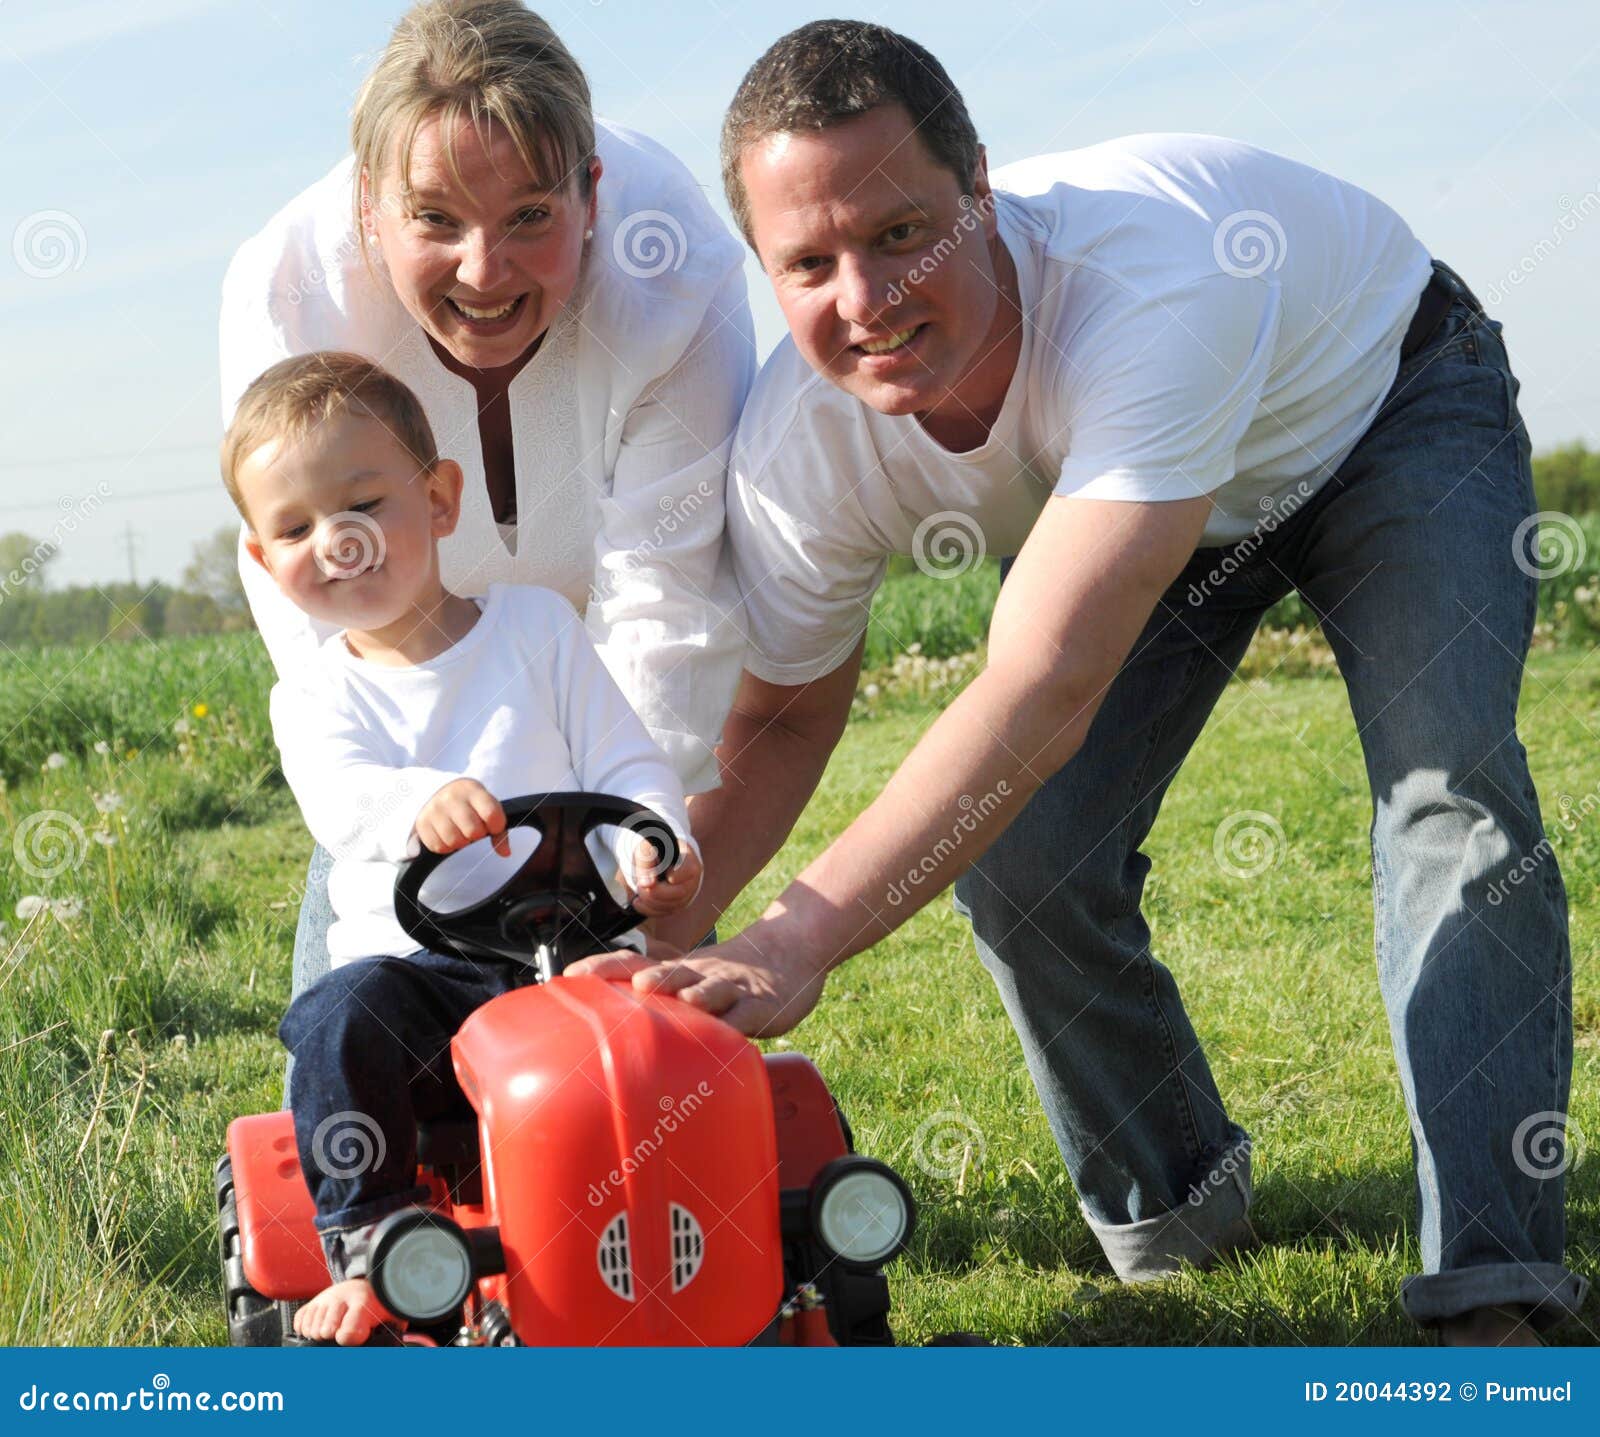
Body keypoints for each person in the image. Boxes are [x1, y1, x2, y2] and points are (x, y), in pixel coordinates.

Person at [574, 20, 1586, 1345]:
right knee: (1024, 858)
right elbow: (782, 714)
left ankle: (1494, 1290)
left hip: (1386, 405)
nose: (864, 298)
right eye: (808, 263)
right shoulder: (800, 447)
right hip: (1155, 509)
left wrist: (793, 939)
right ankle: (1179, 1222)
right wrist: (652, 932)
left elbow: (1042, 684)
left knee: (1448, 798)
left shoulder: (1149, 284)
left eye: (900, 235)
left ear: (981, 192)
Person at [218, 0, 750, 1026]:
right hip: (400, 747)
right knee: (349, 1031)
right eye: (434, 220)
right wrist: (400, 805)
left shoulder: (672, 271)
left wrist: (630, 862)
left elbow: (665, 603)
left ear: (592, 194)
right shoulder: (290, 291)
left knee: (656, 1047)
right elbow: (322, 628)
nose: (483, 270)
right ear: (368, 207)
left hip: (583, 714)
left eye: (529, 218)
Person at [223, 352, 703, 1345]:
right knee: (339, 1015)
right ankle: (375, 1241)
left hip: (566, 964)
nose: (338, 540)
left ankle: (709, 1232)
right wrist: (420, 801)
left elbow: (623, 761)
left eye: (364, 503)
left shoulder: (536, 628)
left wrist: (653, 840)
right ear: (264, 562)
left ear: (439, 499)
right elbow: (340, 801)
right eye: (296, 529)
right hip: (419, 989)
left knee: (675, 1028)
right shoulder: (314, 695)